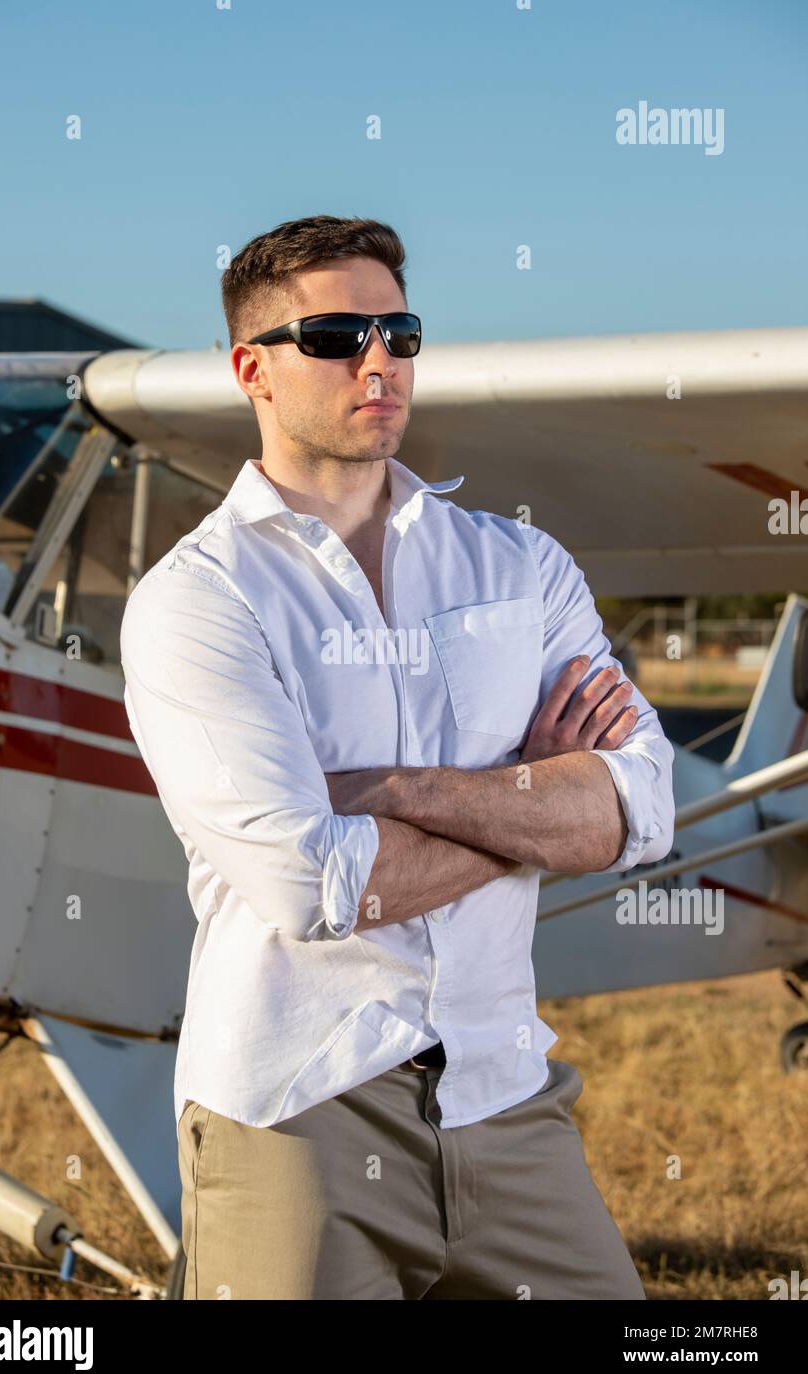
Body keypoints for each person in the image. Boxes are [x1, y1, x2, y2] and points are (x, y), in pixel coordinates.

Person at [120, 214, 675, 1300]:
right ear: (253, 371)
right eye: (333, 336)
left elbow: (632, 809)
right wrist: (529, 797)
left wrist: (391, 792)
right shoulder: (197, 597)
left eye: (398, 331)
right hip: (298, 1104)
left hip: (505, 1093)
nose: (378, 360)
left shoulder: (522, 564)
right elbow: (307, 881)